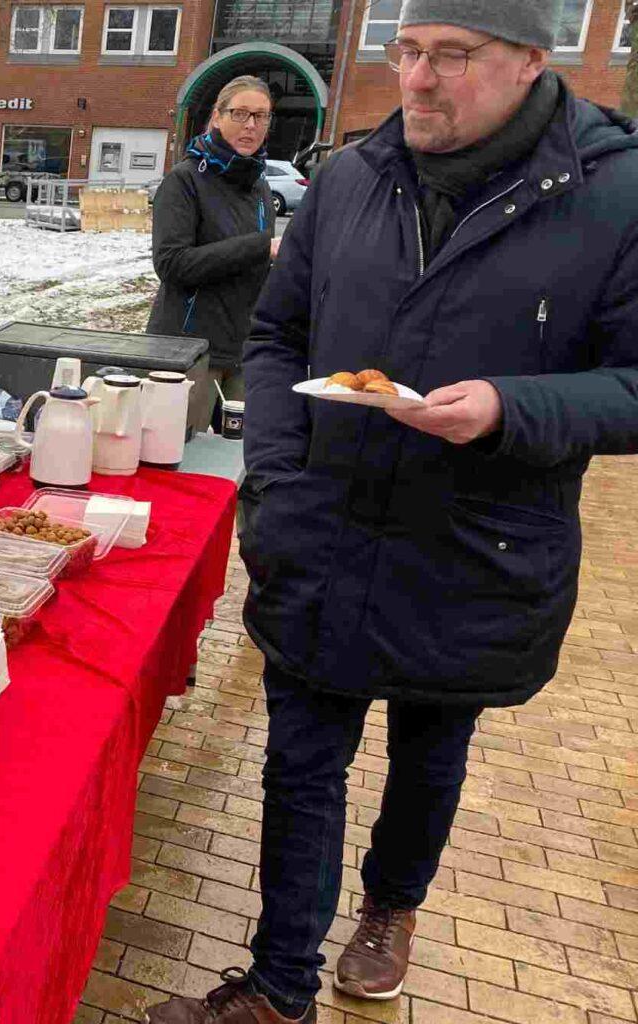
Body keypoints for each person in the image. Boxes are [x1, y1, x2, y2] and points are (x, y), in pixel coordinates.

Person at [148, 2, 638, 1023]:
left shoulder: (614, 193)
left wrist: (517, 407)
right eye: (406, 52)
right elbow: (281, 338)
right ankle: (279, 983)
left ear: (530, 64)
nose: (416, 78)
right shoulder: (353, 176)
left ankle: (391, 906)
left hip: (477, 547)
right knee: (301, 763)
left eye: (450, 57)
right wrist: (274, 479)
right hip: (323, 527)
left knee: (429, 753)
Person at [146, 76, 279, 406]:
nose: (251, 125)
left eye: (261, 116)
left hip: (244, 353)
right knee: (179, 453)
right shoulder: (185, 180)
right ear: (217, 117)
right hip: (188, 353)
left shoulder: (260, 186)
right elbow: (172, 264)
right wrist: (262, 247)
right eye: (240, 113)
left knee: (233, 454)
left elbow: (256, 271)